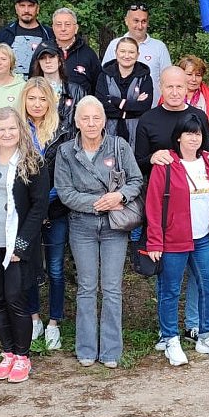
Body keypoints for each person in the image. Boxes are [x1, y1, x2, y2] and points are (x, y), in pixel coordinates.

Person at [55, 97, 142, 367]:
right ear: (77, 122)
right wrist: (96, 204)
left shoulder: (119, 145)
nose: (91, 123)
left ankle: (111, 351)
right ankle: (86, 348)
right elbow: (64, 192)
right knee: (86, 287)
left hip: (115, 224)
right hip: (81, 225)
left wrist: (119, 197)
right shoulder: (66, 151)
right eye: (85, 118)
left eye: (96, 118)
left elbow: (137, 180)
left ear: (104, 120)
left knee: (112, 287)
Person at [0, 107, 49, 383]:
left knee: (16, 299)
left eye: (12, 128)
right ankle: (8, 353)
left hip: (15, 244)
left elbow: (39, 207)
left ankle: (23, 356)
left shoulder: (33, 162)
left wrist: (21, 245)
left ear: (21, 130)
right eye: (1, 129)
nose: (7, 133)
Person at [147, 115, 209, 365]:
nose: (194, 138)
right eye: (189, 133)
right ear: (179, 137)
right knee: (170, 290)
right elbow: (152, 205)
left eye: (198, 134)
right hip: (174, 239)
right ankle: (170, 338)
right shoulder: (165, 164)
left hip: (204, 238)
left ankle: (207, 334)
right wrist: (154, 241)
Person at [18, 78, 64, 345]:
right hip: (26, 212)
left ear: (50, 101)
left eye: (42, 99)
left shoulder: (62, 131)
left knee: (56, 268)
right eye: (32, 99)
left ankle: (54, 322)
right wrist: (34, 207)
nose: (37, 104)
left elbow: (66, 174)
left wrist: (45, 205)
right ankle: (34, 319)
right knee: (32, 268)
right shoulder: (17, 130)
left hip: (56, 209)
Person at [134, 67, 209, 176]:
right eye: (169, 87)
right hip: (161, 184)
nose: (174, 93)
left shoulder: (199, 116)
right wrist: (152, 158)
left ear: (186, 88)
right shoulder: (147, 119)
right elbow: (138, 165)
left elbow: (207, 153)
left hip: (194, 184)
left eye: (179, 87)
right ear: (161, 88)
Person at [102, 3, 171, 105]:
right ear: (126, 21)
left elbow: (168, 81)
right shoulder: (115, 45)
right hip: (117, 112)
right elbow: (104, 78)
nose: (140, 26)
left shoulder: (159, 47)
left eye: (144, 21)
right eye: (136, 21)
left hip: (152, 111)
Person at [28, 7, 101, 96]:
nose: (63, 29)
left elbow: (98, 87)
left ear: (76, 28)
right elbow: (32, 81)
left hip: (79, 106)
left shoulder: (88, 54)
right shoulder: (42, 50)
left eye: (67, 24)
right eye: (58, 25)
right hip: (47, 105)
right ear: (53, 28)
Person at [96, 36, 153, 144]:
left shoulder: (145, 77)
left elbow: (144, 107)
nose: (126, 56)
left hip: (136, 132)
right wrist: (132, 106)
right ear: (116, 53)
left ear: (137, 55)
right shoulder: (104, 75)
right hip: (108, 130)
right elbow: (101, 106)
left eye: (131, 52)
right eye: (122, 51)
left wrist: (115, 101)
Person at [29, 42, 85, 135]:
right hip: (40, 143)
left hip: (69, 144)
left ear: (60, 61)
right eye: (43, 58)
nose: (47, 61)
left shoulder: (77, 91)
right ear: (38, 63)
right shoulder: (31, 90)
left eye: (51, 57)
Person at [0, 0, 54, 74]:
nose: (26, 10)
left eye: (30, 6)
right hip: (11, 84)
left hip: (40, 84)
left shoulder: (49, 34)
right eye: (22, 6)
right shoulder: (4, 33)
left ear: (37, 9)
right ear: (16, 8)